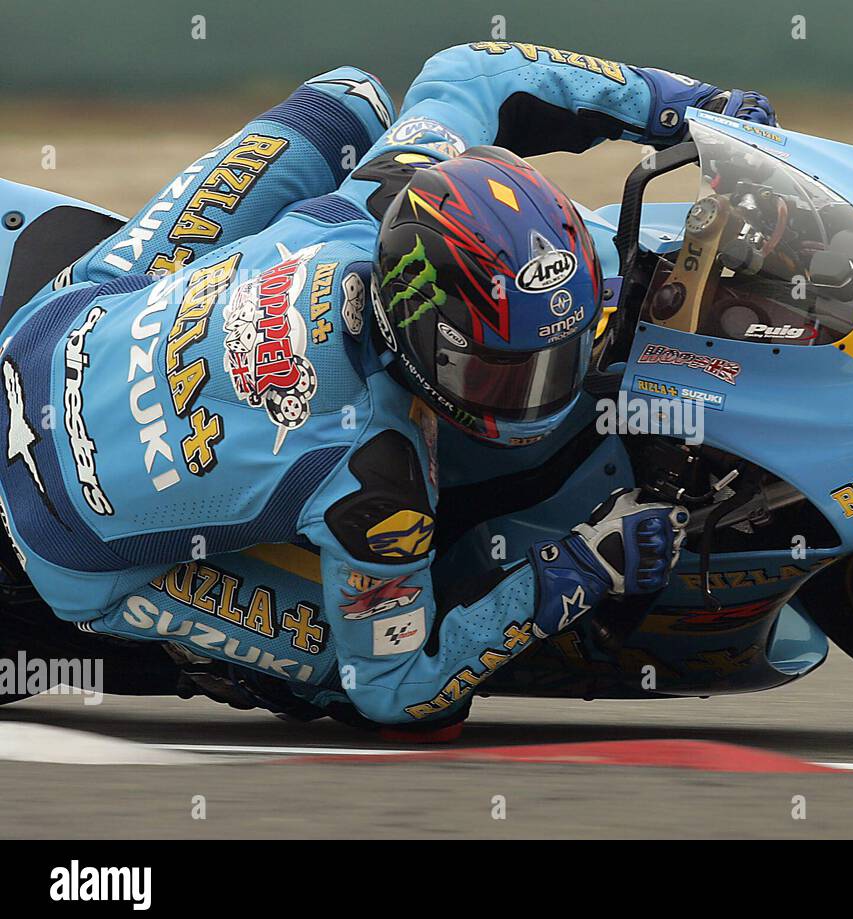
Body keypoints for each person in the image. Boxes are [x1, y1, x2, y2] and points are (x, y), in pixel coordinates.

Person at [0, 43, 776, 730]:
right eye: (501, 371)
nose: (542, 392)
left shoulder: (378, 192)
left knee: (350, 98)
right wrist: (579, 571)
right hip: (62, 530)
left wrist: (678, 108)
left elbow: (472, 71)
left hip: (65, 318)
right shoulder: (377, 479)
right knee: (354, 684)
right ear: (418, 340)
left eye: (560, 354)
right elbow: (400, 690)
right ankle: (229, 670)